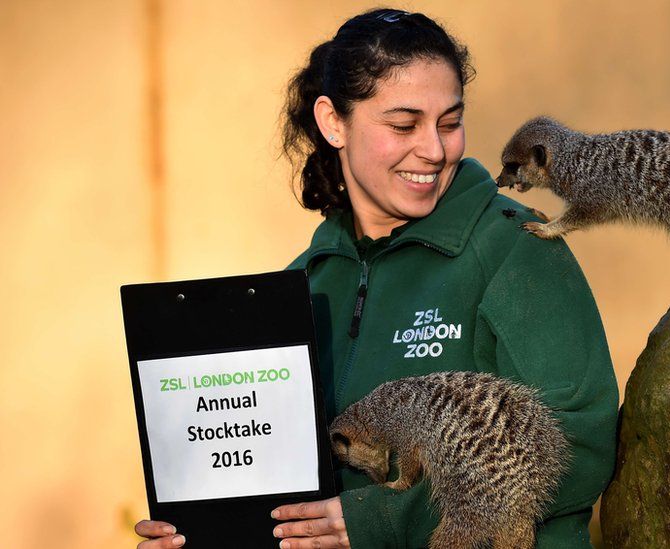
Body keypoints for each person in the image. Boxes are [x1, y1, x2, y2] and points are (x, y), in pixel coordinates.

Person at [135, 8, 618, 548]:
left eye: (451, 122)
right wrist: (206, 534)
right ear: (332, 122)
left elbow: (582, 443)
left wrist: (381, 521)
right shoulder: (300, 285)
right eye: (404, 125)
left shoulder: (517, 249)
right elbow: (282, 503)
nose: (434, 149)